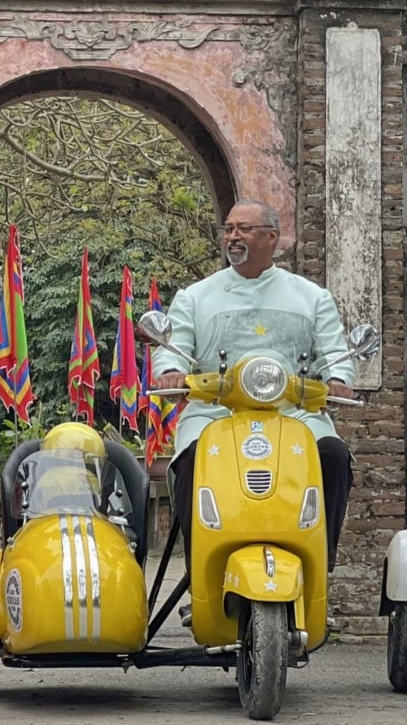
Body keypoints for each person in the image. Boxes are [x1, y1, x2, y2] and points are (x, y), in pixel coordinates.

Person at [151, 199, 356, 572]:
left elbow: (334, 353)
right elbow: (174, 346)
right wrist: (171, 371)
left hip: (295, 413)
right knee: (190, 460)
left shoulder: (312, 297)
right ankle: (202, 570)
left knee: (333, 455)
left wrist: (338, 380)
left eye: (244, 229)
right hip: (215, 412)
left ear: (272, 238)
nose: (233, 237)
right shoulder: (194, 296)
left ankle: (319, 565)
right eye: (228, 229)